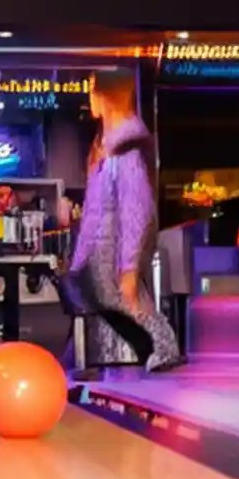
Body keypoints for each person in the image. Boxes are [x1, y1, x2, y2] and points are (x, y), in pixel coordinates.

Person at [65, 68, 181, 373]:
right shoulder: (105, 144)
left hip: (117, 242)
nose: (89, 96)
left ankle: (162, 346)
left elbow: (135, 207)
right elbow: (93, 208)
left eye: (93, 89)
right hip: (101, 243)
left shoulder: (127, 146)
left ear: (108, 95)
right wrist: (79, 259)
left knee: (123, 296)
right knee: (104, 296)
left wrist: (129, 264)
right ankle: (153, 349)